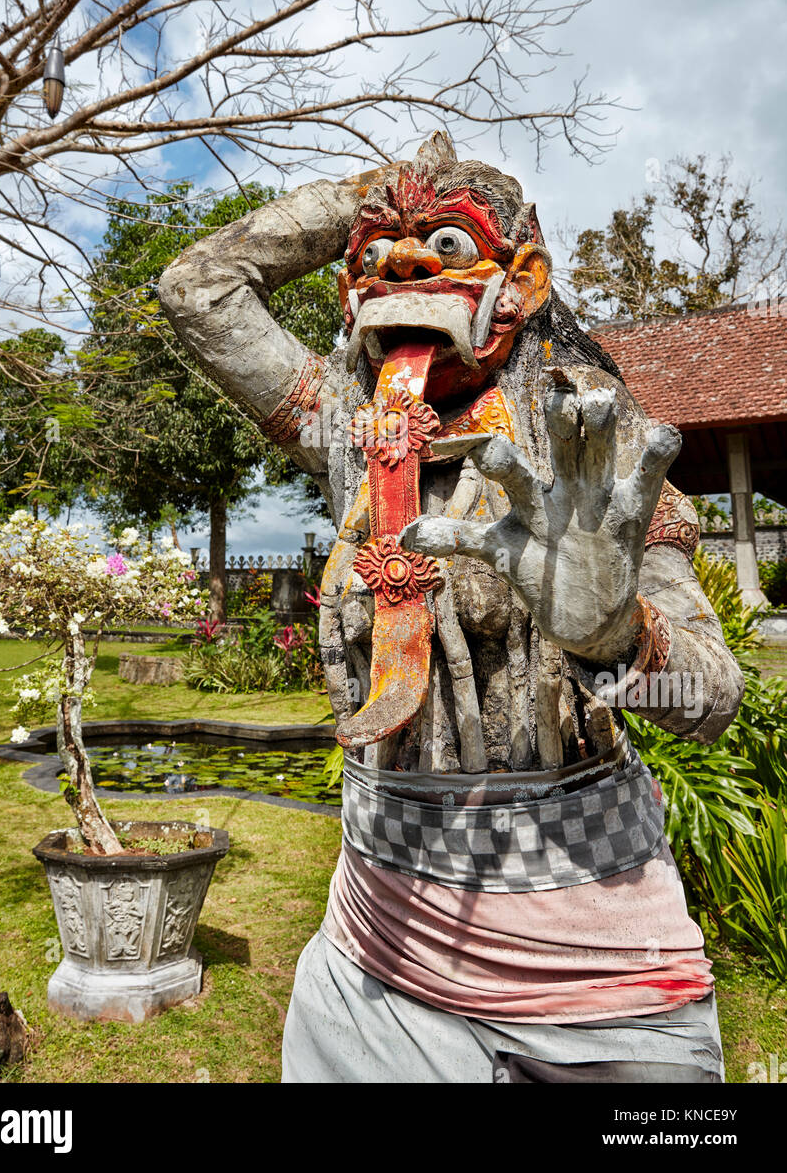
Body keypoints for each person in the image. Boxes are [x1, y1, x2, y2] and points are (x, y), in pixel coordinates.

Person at [159, 132, 742, 1083]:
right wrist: (368, 199)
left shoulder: (594, 442)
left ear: (526, 281)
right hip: (377, 957)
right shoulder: (350, 430)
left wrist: (616, 636)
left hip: (596, 970)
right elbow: (199, 288)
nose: (406, 272)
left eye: (449, 252)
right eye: (378, 263)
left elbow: (712, 699)